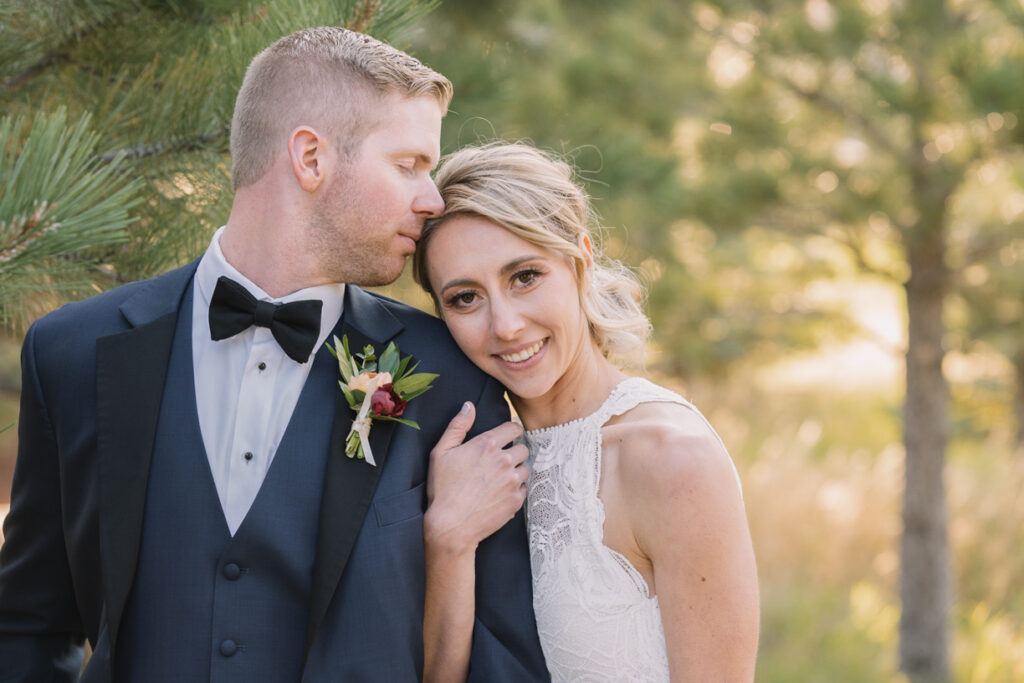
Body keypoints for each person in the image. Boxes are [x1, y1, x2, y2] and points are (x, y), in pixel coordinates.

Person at [0, 28, 548, 682]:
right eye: (409, 165)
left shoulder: (453, 377)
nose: (430, 200)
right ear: (310, 158)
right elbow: (29, 627)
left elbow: (505, 659)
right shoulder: (73, 352)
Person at [413, 142, 760, 682]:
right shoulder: (466, 462)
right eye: (465, 298)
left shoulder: (671, 458)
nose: (504, 325)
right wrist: (449, 541)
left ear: (581, 258)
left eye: (524, 276)